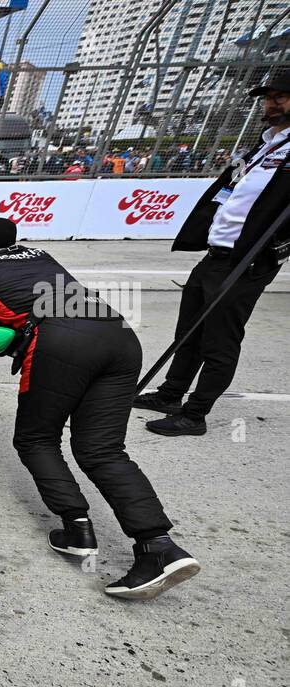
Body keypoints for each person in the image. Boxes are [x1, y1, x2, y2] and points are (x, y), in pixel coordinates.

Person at [0, 217, 199, 600]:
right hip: (119, 337)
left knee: (36, 439)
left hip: (61, 342)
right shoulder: (44, 255)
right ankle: (158, 546)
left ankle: (77, 528)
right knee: (103, 450)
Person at [136, 67, 290, 437]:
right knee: (188, 330)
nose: (270, 105)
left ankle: (195, 414)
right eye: (268, 98)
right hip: (216, 255)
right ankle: (171, 394)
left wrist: (271, 249)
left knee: (219, 341)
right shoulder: (266, 143)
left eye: (279, 98)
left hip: (247, 261)